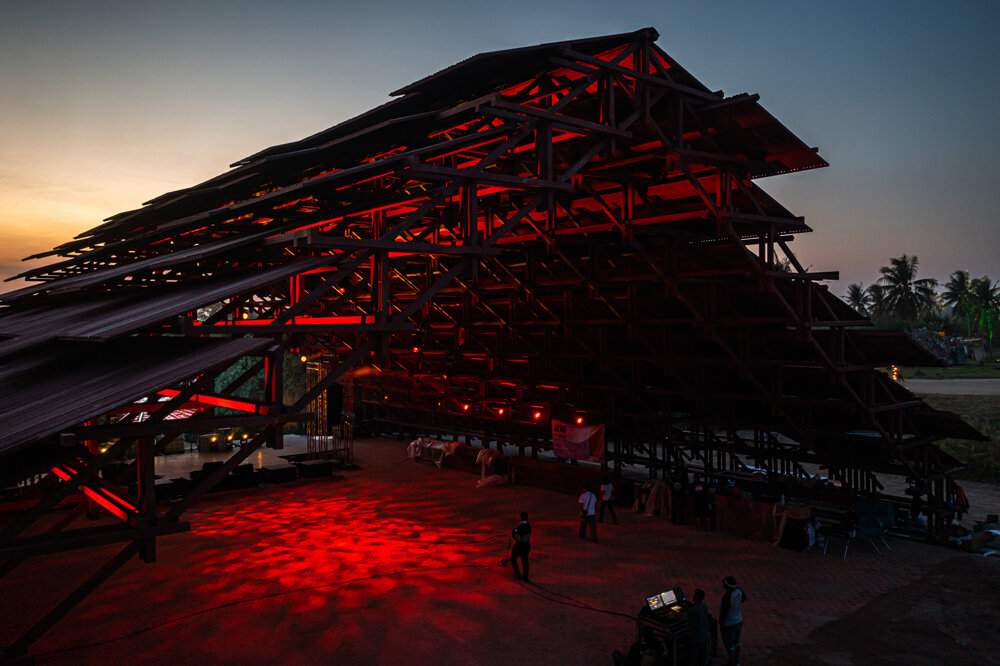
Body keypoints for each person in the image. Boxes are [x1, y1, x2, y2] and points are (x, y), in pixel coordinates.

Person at [719, 575, 747, 666]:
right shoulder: (739, 591)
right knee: (737, 642)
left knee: (729, 645)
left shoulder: (727, 597)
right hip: (739, 620)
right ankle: (736, 660)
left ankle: (731, 662)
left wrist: (721, 622)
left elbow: (724, 612)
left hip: (729, 624)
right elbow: (744, 598)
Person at [688, 588, 711, 666]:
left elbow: (687, 618)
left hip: (697, 638)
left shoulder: (694, 610)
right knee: (703, 658)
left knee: (693, 658)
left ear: (695, 597)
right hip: (705, 635)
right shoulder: (704, 606)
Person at [510, 511, 531, 582]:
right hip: (526, 547)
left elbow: (518, 537)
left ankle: (517, 573)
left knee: (513, 558)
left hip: (519, 546)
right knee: (525, 562)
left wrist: (514, 532)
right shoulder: (528, 526)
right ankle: (525, 576)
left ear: (521, 518)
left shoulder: (521, 527)